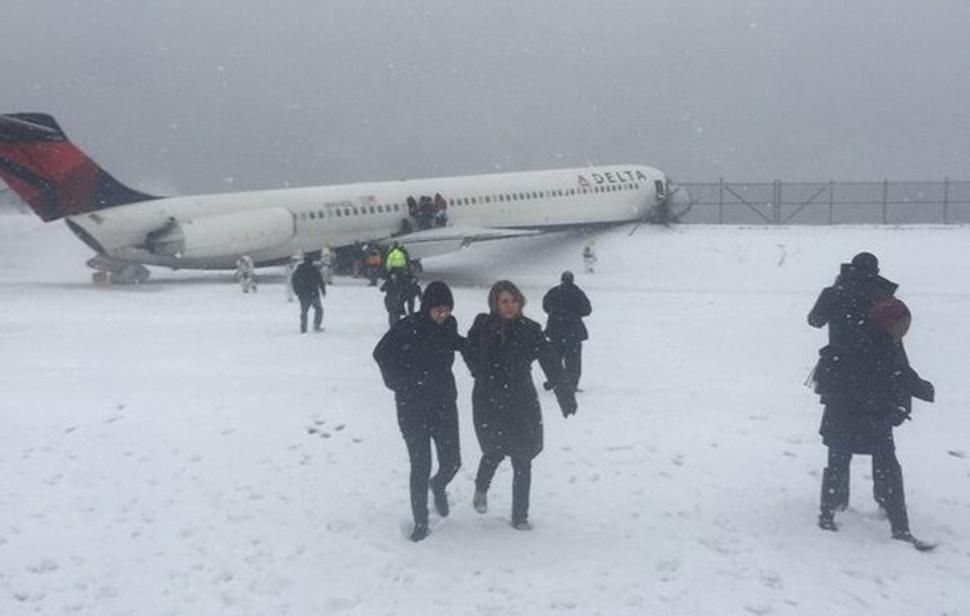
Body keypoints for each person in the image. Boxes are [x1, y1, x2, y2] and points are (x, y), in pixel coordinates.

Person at [808, 253, 935, 548]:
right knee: (884, 455)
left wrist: (836, 289)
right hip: (877, 385)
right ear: (876, 271)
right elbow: (896, 351)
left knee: (838, 449)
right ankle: (896, 520)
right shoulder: (884, 297)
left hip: (840, 381)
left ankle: (830, 509)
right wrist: (913, 387)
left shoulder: (835, 293)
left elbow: (814, 321)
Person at [462, 280, 577, 530]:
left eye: (514, 301)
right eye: (504, 301)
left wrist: (564, 393)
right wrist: (479, 372)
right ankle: (481, 488)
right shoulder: (483, 326)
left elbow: (551, 361)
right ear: (495, 303)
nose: (510, 306)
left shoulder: (530, 329)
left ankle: (520, 515)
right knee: (494, 450)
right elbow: (468, 351)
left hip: (521, 399)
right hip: (489, 399)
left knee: (523, 456)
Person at [373, 282, 465, 542]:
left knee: (452, 461)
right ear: (427, 307)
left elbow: (454, 343)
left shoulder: (449, 325)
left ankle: (438, 486)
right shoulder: (407, 326)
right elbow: (380, 353)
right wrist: (399, 382)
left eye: (447, 309)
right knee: (420, 464)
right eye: (438, 309)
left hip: (444, 403)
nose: (443, 314)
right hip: (411, 407)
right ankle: (420, 521)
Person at [543, 271, 592, 392]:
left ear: (561, 279)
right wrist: (574, 314)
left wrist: (556, 314)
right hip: (573, 332)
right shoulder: (577, 293)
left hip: (555, 331)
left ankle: (553, 381)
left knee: (554, 359)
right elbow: (587, 309)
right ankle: (572, 384)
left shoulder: (553, 292)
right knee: (573, 361)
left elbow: (545, 306)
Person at [291, 253, 326, 333]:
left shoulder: (299, 269)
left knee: (304, 312)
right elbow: (320, 280)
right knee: (318, 309)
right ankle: (316, 325)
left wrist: (296, 291)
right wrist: (323, 290)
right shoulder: (314, 269)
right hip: (314, 293)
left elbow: (293, 280)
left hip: (303, 294)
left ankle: (303, 328)